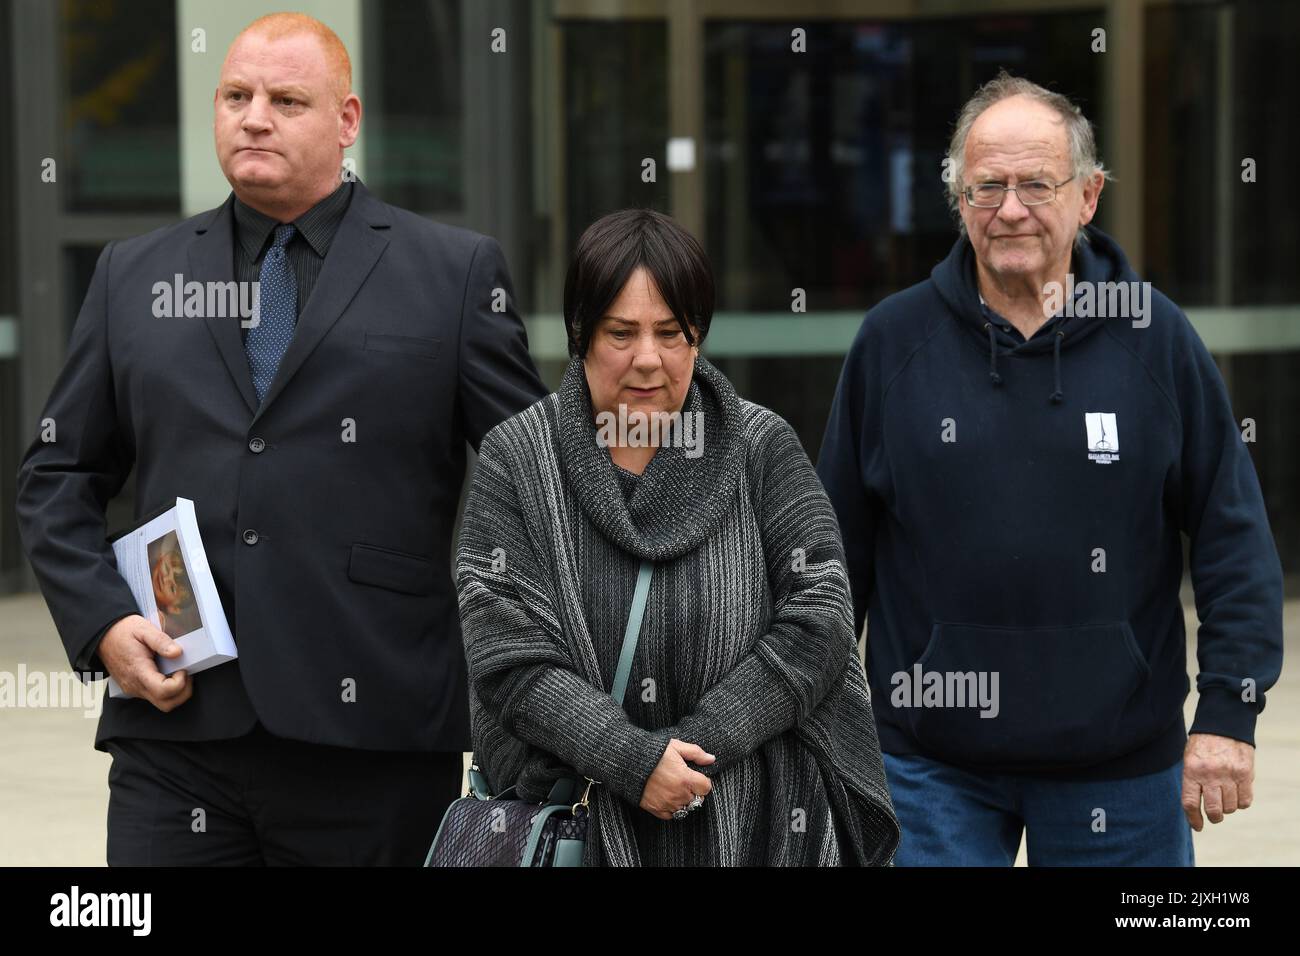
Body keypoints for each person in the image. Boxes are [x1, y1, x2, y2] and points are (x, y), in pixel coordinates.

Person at [15, 12, 547, 865]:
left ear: (347, 121)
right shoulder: (134, 275)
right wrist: (104, 622)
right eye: (235, 95)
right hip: (175, 733)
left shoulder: (452, 274)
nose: (253, 115)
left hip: (374, 735)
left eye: (285, 99)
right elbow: (57, 473)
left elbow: (539, 476)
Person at [817, 71, 1283, 866]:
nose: (1010, 210)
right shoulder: (892, 344)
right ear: (958, 200)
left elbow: (1231, 536)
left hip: (1121, 768)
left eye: (1037, 184)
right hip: (930, 770)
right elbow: (832, 555)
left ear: (1088, 195)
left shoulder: (1156, 339)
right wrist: (820, 726)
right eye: (986, 186)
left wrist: (1229, 711)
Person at [457, 208, 899, 866]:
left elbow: (821, 617)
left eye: (671, 332)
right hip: (581, 822)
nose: (647, 359)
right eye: (620, 332)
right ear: (581, 334)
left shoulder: (761, 447)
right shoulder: (517, 459)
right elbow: (507, 654)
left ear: (698, 336)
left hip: (758, 825)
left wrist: (694, 750)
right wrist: (632, 761)